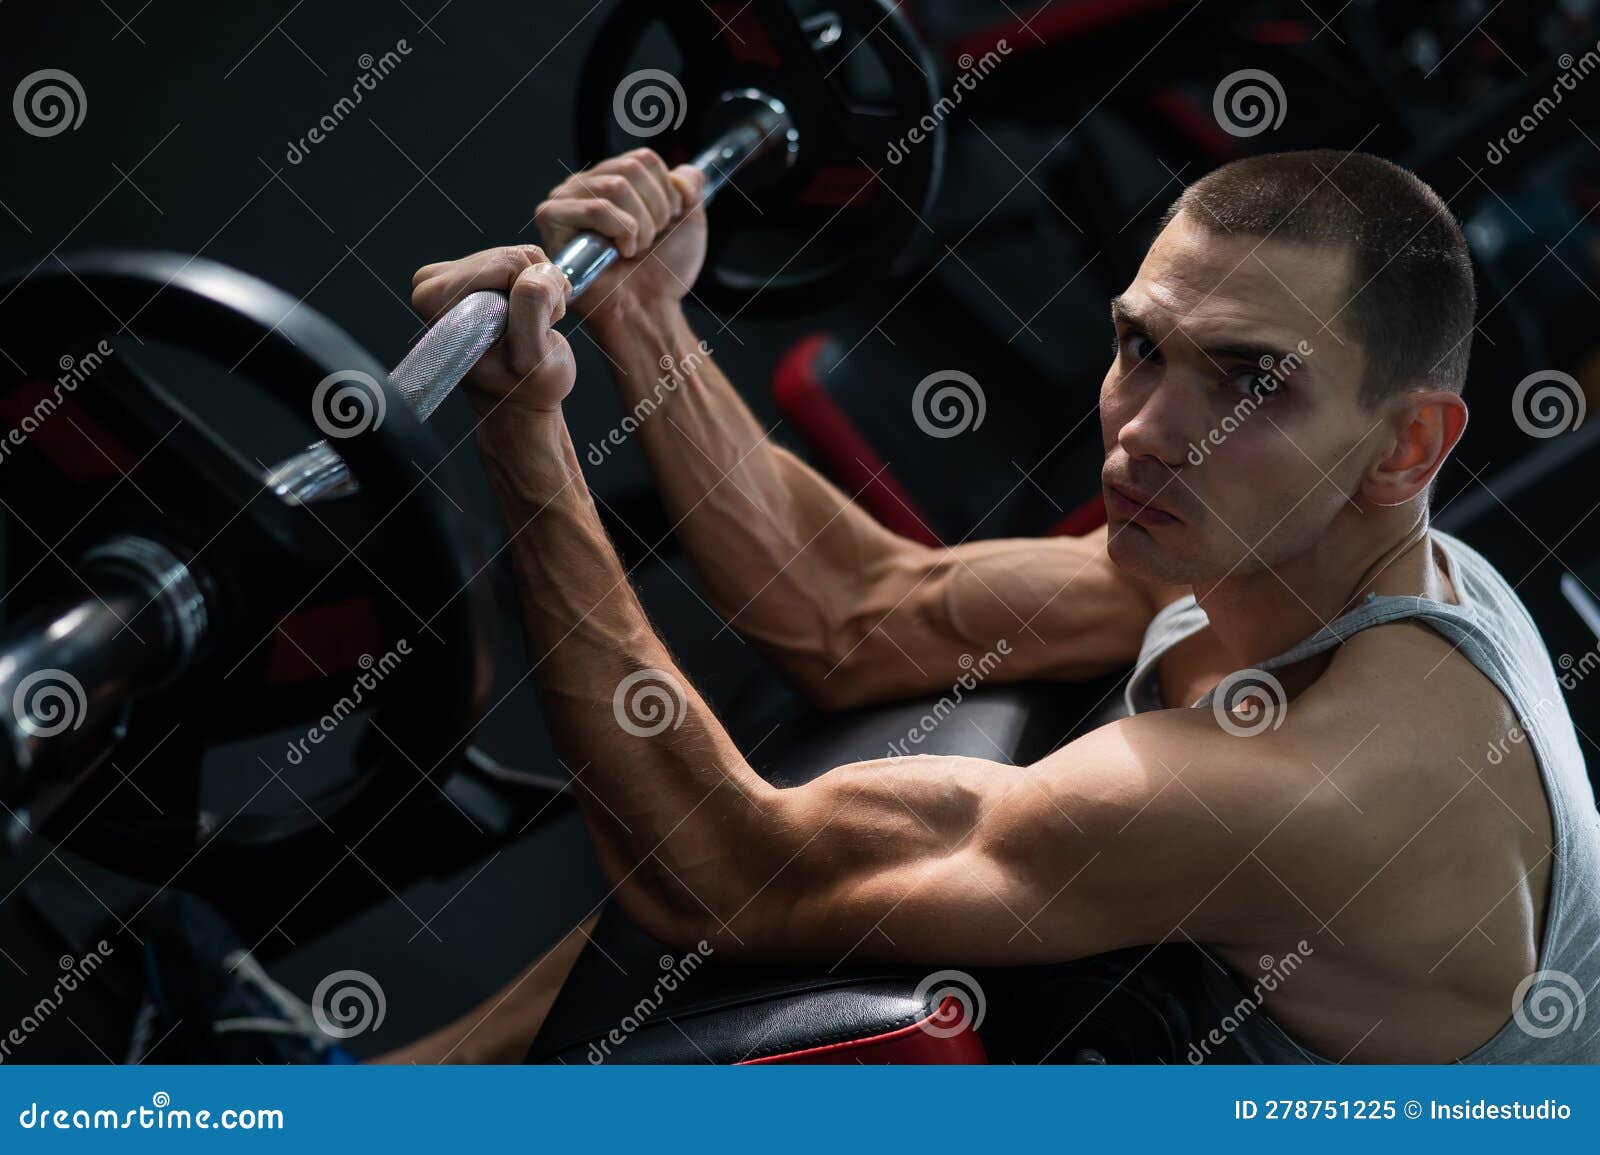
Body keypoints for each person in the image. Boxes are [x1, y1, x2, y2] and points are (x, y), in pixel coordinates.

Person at [149, 146, 1598, 1065]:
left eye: (1252, 382)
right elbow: (861, 613)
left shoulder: (1330, 790)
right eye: (1141, 348)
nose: (1152, 432)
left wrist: (524, 430)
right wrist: (643, 317)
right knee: (874, 794)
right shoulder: (1283, 545)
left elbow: (724, 874)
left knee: (808, 942)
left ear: (1407, 447)